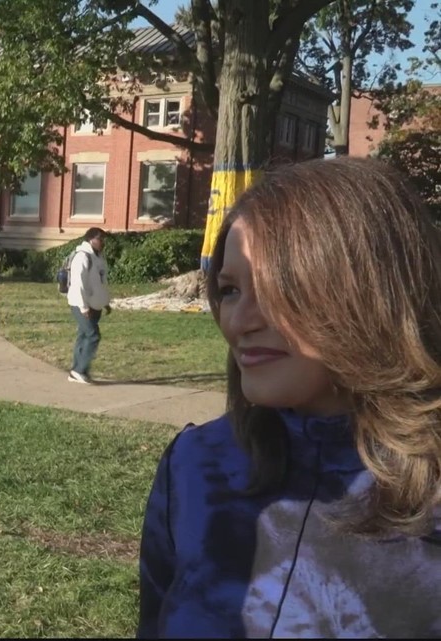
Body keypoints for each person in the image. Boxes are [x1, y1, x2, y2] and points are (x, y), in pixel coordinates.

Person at [137, 156, 441, 638]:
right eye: (231, 289)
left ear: (373, 292)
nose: (239, 322)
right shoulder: (195, 466)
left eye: (279, 287)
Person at [66, 226, 111, 384]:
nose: (102, 242)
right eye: (100, 239)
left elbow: (101, 282)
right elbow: (78, 284)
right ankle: (79, 370)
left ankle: (77, 371)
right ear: (90, 239)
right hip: (81, 304)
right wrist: (83, 307)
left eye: (104, 239)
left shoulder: (99, 258)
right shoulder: (83, 257)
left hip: (95, 305)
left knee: (84, 336)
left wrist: (105, 302)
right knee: (93, 336)